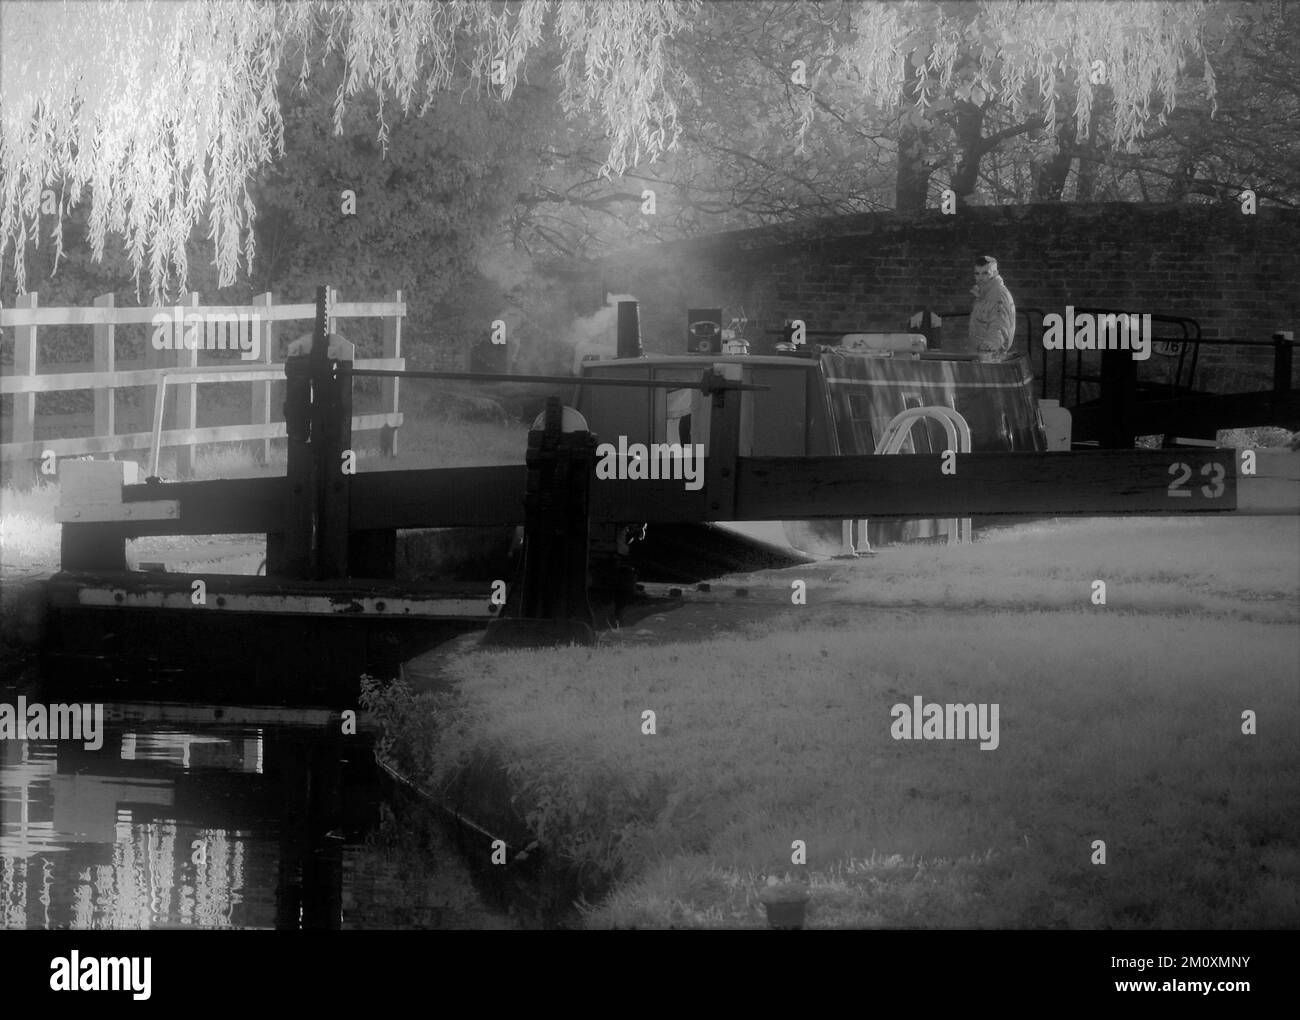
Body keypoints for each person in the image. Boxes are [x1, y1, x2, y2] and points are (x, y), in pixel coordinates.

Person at [968, 255, 1016, 360]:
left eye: (985, 273)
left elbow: (999, 325)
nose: (980, 277)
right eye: (977, 273)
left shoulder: (998, 295)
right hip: (982, 356)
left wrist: (990, 346)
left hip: (991, 357)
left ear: (994, 273)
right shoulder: (983, 295)